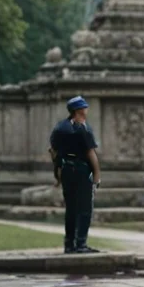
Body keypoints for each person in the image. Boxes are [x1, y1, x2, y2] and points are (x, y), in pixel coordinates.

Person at [50, 96, 102, 254]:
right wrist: (96, 175)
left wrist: (57, 173)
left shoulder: (59, 128)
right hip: (81, 170)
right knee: (85, 208)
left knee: (71, 209)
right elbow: (91, 153)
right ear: (80, 110)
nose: (87, 110)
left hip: (66, 169)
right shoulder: (83, 128)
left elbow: (53, 152)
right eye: (85, 107)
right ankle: (81, 243)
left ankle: (69, 244)